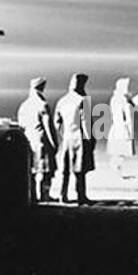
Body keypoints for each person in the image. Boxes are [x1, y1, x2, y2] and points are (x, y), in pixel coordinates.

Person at [16, 76, 57, 203]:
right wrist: (54, 143)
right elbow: (48, 127)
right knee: (45, 171)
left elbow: (21, 126)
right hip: (41, 140)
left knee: (32, 170)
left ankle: (32, 195)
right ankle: (44, 195)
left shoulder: (24, 106)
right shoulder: (42, 105)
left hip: (29, 140)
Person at [54, 72, 93, 205]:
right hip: (80, 139)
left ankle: (62, 195)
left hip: (67, 138)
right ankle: (81, 196)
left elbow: (57, 122)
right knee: (79, 170)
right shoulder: (83, 100)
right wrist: (90, 139)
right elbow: (86, 123)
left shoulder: (62, 100)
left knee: (65, 170)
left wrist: (62, 135)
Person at [106, 76, 138, 177]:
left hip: (116, 128)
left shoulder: (115, 98)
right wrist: (129, 130)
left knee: (118, 152)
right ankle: (116, 171)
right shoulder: (122, 100)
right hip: (122, 128)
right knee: (120, 152)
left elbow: (128, 106)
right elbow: (127, 113)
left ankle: (116, 171)